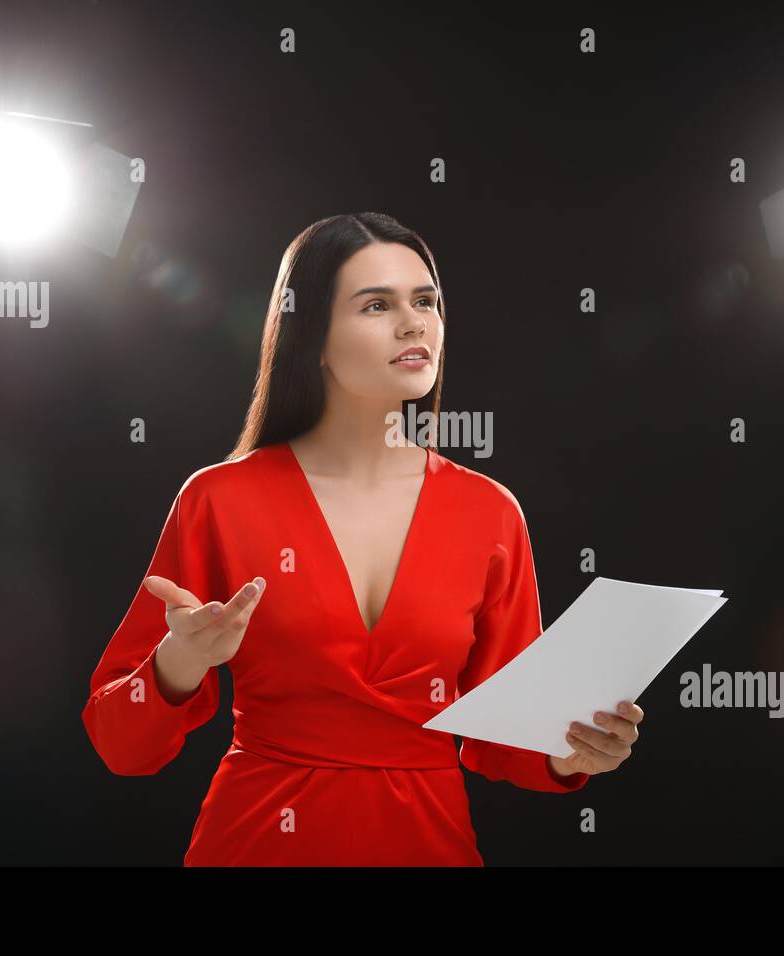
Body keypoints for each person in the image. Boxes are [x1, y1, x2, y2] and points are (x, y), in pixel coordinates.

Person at [81, 212, 643, 865]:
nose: (414, 324)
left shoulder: (490, 512)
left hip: (430, 844)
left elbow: (504, 734)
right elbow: (121, 747)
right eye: (376, 304)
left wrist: (570, 748)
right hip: (258, 840)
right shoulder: (218, 500)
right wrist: (179, 662)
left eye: (426, 301)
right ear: (312, 335)